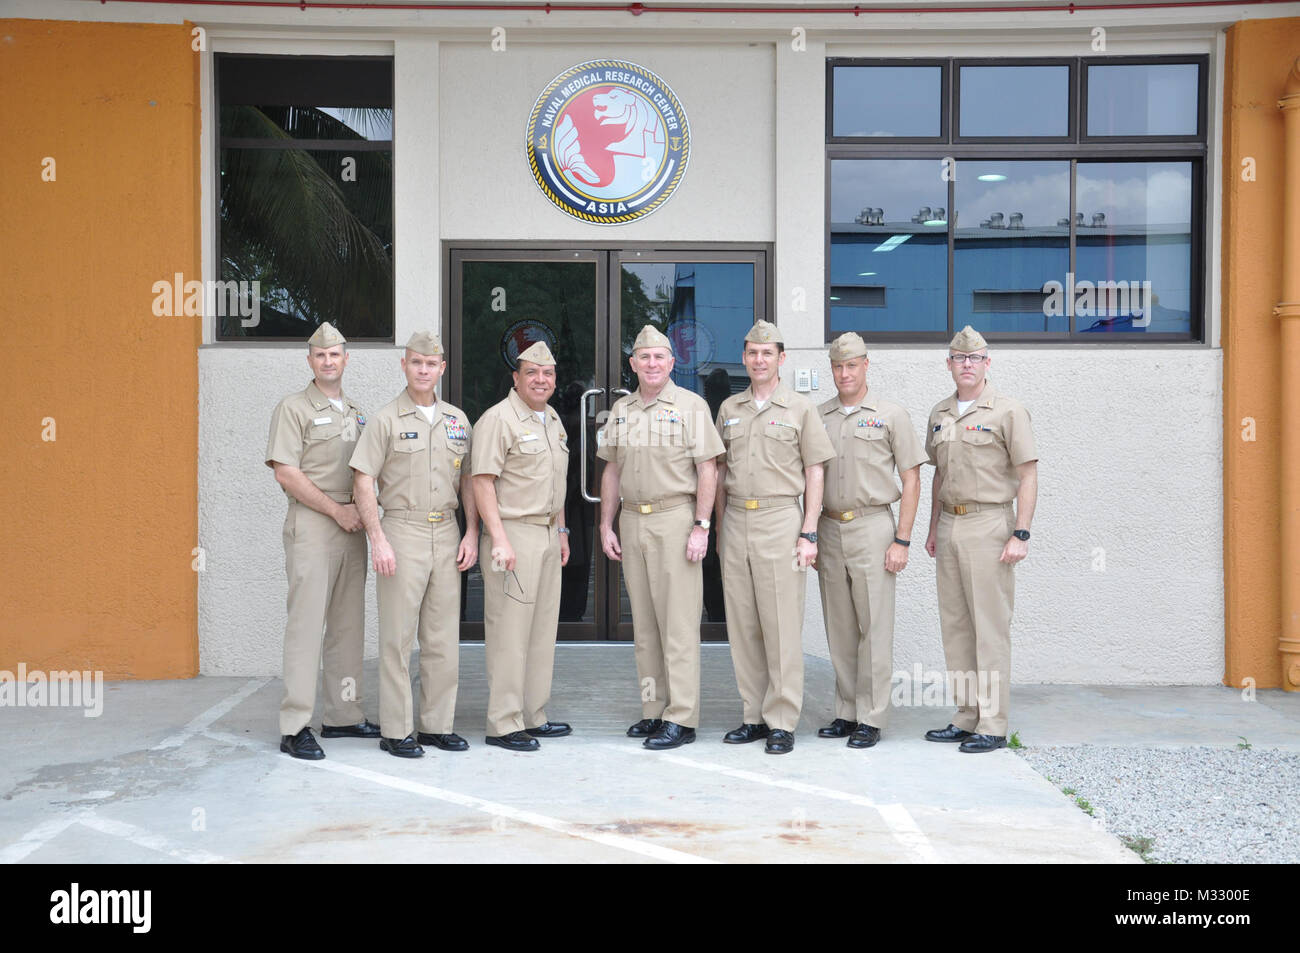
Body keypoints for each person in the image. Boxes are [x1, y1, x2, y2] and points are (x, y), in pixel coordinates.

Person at [350, 331, 478, 758]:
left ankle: (437, 726)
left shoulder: (458, 420)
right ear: (403, 365)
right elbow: (363, 481)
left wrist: (472, 532)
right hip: (401, 531)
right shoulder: (385, 420)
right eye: (416, 363)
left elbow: (469, 483)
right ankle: (397, 729)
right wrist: (378, 538)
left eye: (432, 364)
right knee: (398, 638)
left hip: (447, 531)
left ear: (442, 368)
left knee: (442, 637)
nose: (424, 370)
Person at [597, 325, 724, 751]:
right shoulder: (620, 411)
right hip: (633, 521)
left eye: (659, 357)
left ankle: (682, 717)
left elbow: (709, 469)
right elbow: (611, 470)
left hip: (675, 520)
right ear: (632, 364)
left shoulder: (691, 407)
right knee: (646, 627)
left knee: (679, 625)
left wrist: (702, 526)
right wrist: (605, 523)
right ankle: (653, 710)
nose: (651, 364)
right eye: (643, 357)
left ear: (672, 363)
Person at [714, 320, 835, 754]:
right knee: (743, 625)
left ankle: (782, 719)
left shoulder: (801, 408)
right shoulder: (729, 408)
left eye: (767, 353)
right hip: (736, 522)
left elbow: (815, 471)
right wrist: (719, 526)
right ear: (744, 358)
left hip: (782, 519)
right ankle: (754, 716)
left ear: (781, 358)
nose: (759, 360)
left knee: (781, 624)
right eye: (752, 353)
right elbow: (721, 471)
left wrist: (809, 531)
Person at [923, 326, 1038, 753]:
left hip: (990, 525)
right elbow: (938, 474)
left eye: (974, 358)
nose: (966, 365)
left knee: (990, 628)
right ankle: (966, 715)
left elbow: (1028, 473)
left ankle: (992, 723)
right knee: (956, 627)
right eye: (959, 358)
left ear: (987, 363)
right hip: (951, 525)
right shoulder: (940, 413)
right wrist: (933, 528)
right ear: (949, 364)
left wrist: (1020, 533)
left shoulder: (1007, 411)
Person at [265, 321, 377, 760]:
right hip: (315, 522)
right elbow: (285, 472)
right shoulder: (293, 408)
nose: (328, 361)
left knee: (348, 626)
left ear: (346, 360)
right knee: (307, 627)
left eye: (335, 355)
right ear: (310, 361)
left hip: (353, 525)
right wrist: (337, 511)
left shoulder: (358, 412)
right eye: (320, 355)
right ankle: (295, 727)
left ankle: (343, 716)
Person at [815, 332, 926, 749]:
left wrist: (903, 539)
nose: (845, 373)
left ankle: (872, 715)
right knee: (839, 626)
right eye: (838, 366)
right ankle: (846, 711)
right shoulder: (818, 415)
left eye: (852, 365)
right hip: (828, 527)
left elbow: (912, 478)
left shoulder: (890, 414)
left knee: (874, 627)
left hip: (873, 526)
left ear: (866, 365)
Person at [471, 341, 572, 752]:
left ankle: (534, 714)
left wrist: (562, 531)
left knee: (541, 631)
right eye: (532, 372)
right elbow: (482, 481)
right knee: (510, 633)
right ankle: (504, 722)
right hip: (513, 535)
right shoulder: (498, 420)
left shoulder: (551, 420)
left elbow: (556, 484)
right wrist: (498, 539)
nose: (541, 380)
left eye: (547, 374)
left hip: (548, 535)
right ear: (516, 377)